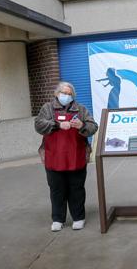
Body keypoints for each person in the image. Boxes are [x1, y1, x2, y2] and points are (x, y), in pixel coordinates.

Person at [35, 81, 98, 232]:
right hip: (53, 157)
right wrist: (56, 125)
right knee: (56, 189)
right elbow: (38, 124)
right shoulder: (47, 108)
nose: (66, 96)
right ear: (56, 94)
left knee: (76, 189)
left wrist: (82, 126)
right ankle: (58, 219)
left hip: (76, 157)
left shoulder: (81, 109)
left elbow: (93, 127)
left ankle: (78, 217)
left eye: (70, 94)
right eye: (64, 93)